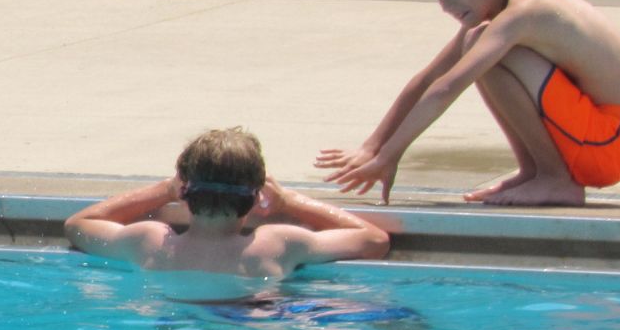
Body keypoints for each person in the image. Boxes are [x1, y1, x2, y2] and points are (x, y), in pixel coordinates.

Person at [316, 0, 620, 207]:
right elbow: (427, 79)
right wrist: (372, 148)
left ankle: (554, 177)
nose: (446, 5)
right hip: (602, 139)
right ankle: (535, 172)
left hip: (610, 143)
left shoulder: (521, 14)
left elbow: (447, 87)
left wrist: (390, 156)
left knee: (480, 49)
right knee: (477, 46)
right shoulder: (498, 13)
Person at [64, 127, 392, 297]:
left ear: (184, 190)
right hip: (256, 325)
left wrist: (161, 190)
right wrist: (289, 201)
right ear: (257, 193)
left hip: (173, 322)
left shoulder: (150, 242)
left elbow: (80, 224)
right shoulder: (278, 243)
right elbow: (375, 240)